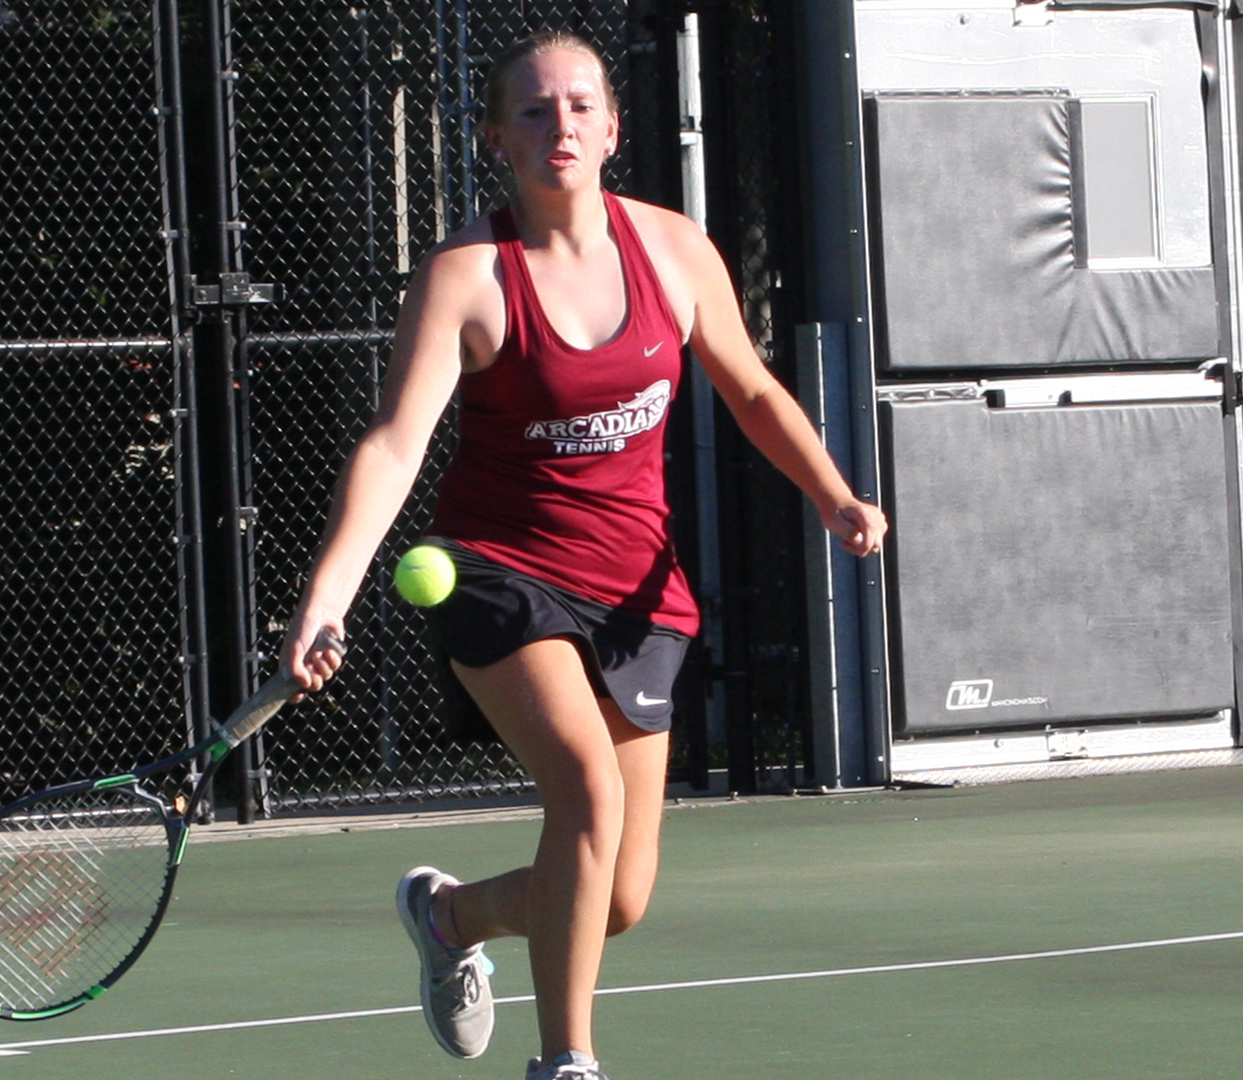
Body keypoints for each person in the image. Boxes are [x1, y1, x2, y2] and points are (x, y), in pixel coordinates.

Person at [280, 30, 887, 1080]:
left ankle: (452, 914)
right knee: (587, 795)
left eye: (578, 106)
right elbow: (394, 444)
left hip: (640, 596)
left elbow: (748, 387)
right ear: (496, 140)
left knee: (618, 899)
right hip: (498, 574)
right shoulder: (468, 274)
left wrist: (832, 494)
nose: (558, 123)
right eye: (533, 109)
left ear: (612, 128)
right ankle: (567, 1061)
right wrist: (325, 598)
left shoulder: (673, 250)